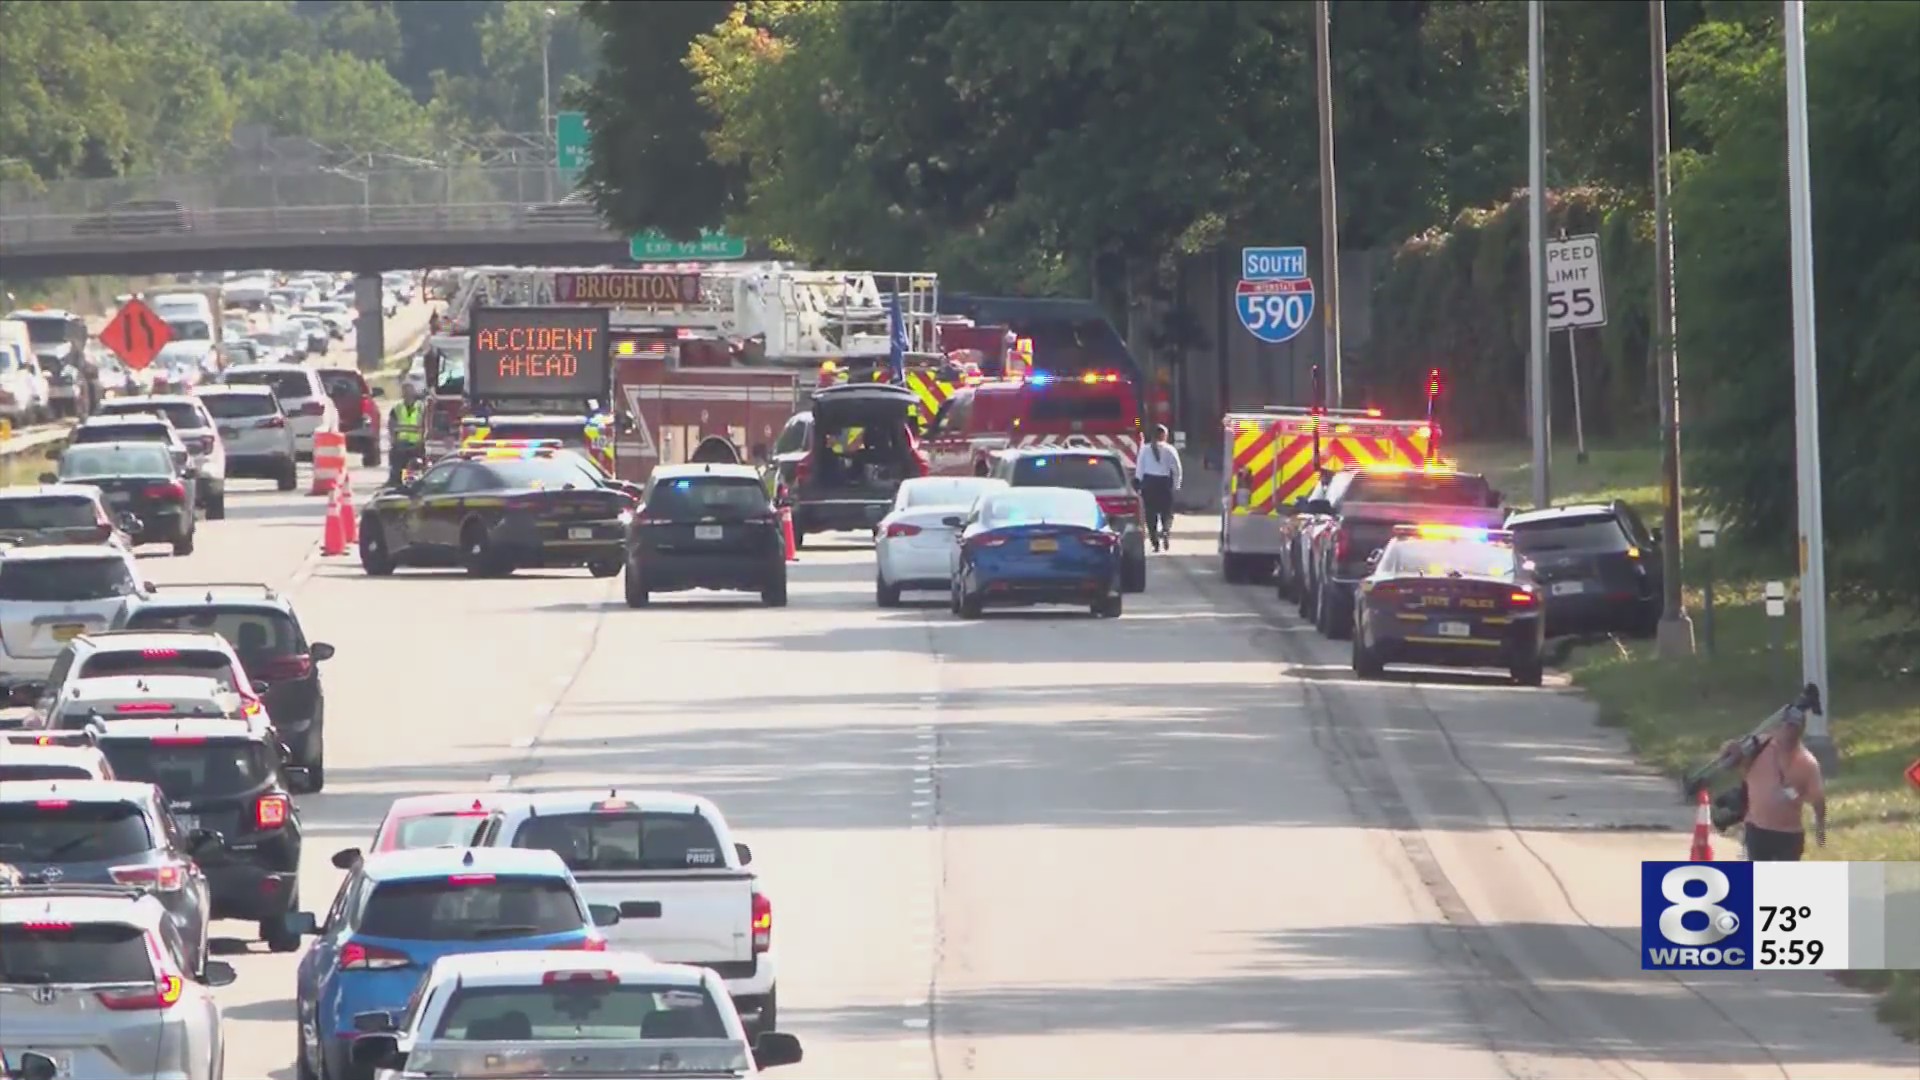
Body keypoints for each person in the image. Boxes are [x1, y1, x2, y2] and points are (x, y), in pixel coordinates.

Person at [1720, 708, 1826, 861]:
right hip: (1757, 829)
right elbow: (1728, 761)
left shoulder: (1808, 763)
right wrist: (1729, 749)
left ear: (1801, 731)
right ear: (1779, 726)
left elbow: (1818, 800)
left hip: (1789, 835)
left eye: (1795, 727)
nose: (1790, 732)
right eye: (1787, 726)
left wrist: (1820, 829)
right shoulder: (1760, 745)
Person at [1134, 424, 1182, 552]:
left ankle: (1155, 542)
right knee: (1167, 512)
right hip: (1164, 484)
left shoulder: (1144, 449)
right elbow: (1177, 469)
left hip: (1149, 484)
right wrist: (1176, 485)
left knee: (1150, 515)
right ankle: (1165, 530)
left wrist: (1138, 485)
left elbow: (1139, 468)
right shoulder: (1170, 449)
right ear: (1164, 435)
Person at [386, 382, 425, 487]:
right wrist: (393, 440)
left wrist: (423, 439)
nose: (407, 394)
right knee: (396, 464)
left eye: (409, 392)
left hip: (416, 443)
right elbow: (391, 424)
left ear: (413, 393)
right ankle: (395, 482)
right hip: (401, 443)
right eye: (405, 392)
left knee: (418, 467)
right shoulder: (398, 407)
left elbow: (425, 423)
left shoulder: (421, 407)